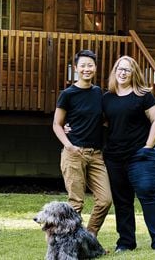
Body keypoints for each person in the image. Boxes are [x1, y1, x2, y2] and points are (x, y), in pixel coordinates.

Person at [103, 55, 155, 252]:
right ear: (114, 72)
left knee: (148, 195)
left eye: (127, 70)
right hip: (115, 157)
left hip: (140, 156)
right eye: (119, 69)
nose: (122, 73)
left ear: (134, 73)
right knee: (122, 201)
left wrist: (148, 147)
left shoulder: (143, 95)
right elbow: (99, 121)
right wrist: (70, 127)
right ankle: (126, 243)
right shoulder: (107, 98)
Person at [52, 49, 112, 236]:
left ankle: (89, 237)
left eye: (90, 65)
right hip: (73, 153)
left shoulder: (98, 93)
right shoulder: (67, 94)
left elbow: (103, 119)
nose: (87, 69)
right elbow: (57, 124)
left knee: (105, 200)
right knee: (76, 204)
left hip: (95, 154)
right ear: (76, 68)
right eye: (83, 65)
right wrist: (69, 145)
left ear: (95, 68)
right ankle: (69, 243)